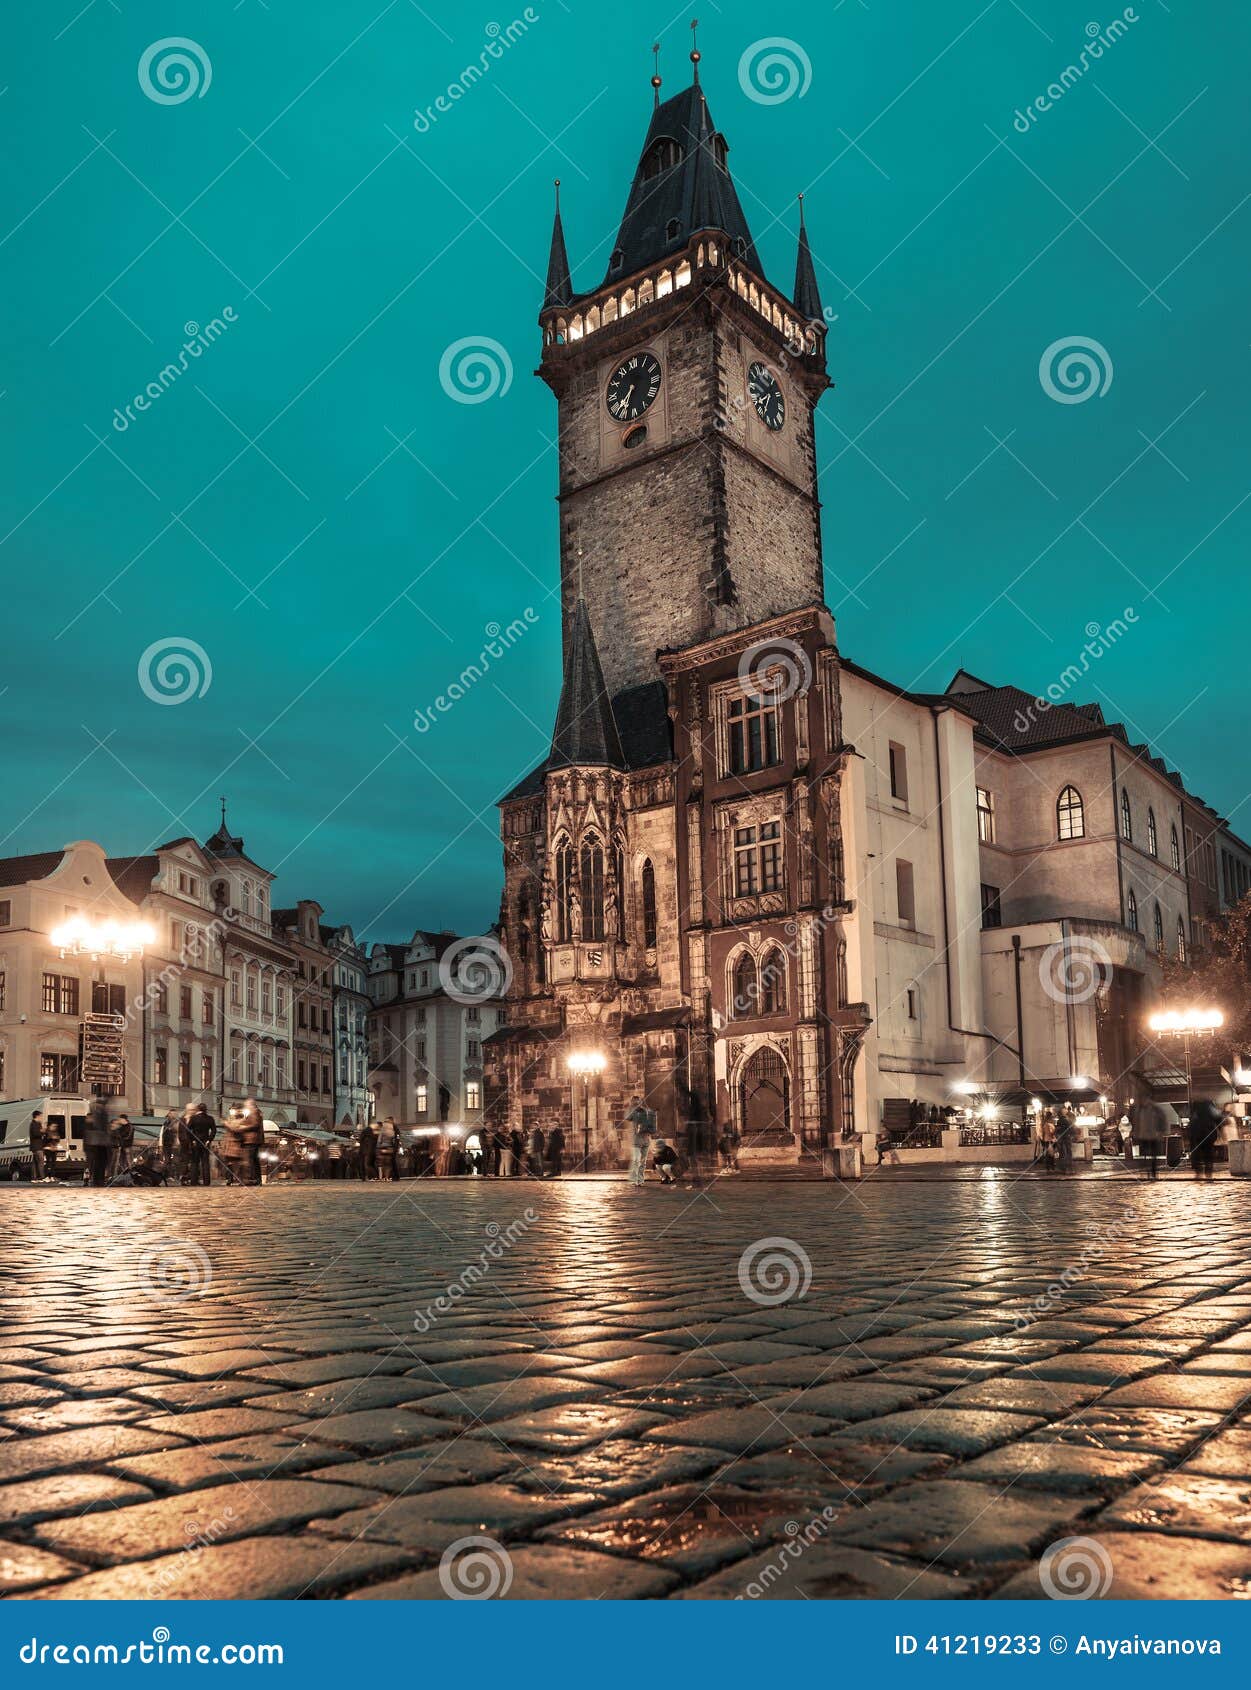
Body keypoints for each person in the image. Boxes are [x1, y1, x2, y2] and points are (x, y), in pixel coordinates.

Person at [1130, 1093, 1168, 1179]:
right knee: (1145, 1156)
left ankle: (1153, 1173)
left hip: (1153, 1135)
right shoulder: (1139, 1110)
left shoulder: (1155, 1109)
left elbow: (1162, 1120)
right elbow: (1136, 1122)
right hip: (1143, 1135)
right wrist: (1135, 1132)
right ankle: (1146, 1172)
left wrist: (1161, 1131)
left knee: (1153, 1156)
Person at [1189, 1097, 1223, 1181]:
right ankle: (1208, 1175)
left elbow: (1192, 1121)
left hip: (1197, 1135)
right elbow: (1218, 1118)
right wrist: (1220, 1130)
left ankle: (1199, 1174)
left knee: (1197, 1154)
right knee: (1208, 1155)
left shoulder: (1195, 1106)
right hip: (1208, 1134)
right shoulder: (1209, 1105)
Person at [184, 1100, 217, 1186]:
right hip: (205, 1142)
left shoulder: (194, 1118)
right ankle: (206, 1182)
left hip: (196, 1142)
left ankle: (193, 1181)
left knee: (195, 1163)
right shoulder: (210, 1118)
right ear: (206, 1110)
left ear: (198, 1109)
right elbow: (214, 1131)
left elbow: (188, 1130)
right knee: (205, 1162)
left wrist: (192, 1140)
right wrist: (209, 1140)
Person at [625, 1096, 655, 1186]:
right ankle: (637, 1180)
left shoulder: (644, 1112)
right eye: (636, 1102)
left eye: (638, 1102)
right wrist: (632, 1107)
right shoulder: (638, 1112)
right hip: (640, 1140)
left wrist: (633, 1107)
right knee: (638, 1160)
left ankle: (640, 1180)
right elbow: (628, 1117)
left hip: (643, 1140)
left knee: (641, 1161)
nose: (638, 1103)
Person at [82, 1096, 112, 1188]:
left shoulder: (96, 1112)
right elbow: (101, 1127)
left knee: (98, 1163)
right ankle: (98, 1180)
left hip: (96, 1142)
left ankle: (97, 1180)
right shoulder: (100, 1113)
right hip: (99, 1142)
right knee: (100, 1162)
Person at [238, 1097, 264, 1186]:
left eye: (246, 1105)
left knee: (250, 1161)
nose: (245, 1107)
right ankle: (257, 1180)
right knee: (254, 1160)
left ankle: (252, 1180)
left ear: (250, 1105)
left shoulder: (254, 1112)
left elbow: (254, 1125)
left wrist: (244, 1127)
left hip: (251, 1140)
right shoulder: (257, 1112)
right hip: (254, 1139)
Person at [221, 1104, 247, 1185]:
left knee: (237, 1163)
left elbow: (235, 1129)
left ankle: (240, 1179)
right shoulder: (231, 1119)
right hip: (229, 1145)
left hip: (236, 1145)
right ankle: (230, 1179)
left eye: (235, 1110)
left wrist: (226, 1123)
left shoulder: (242, 1120)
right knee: (229, 1163)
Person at [107, 1113, 134, 1183]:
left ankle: (131, 1175)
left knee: (129, 1162)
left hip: (127, 1146)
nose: (119, 1120)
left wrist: (120, 1137)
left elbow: (128, 1136)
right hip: (122, 1146)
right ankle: (125, 1175)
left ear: (123, 1119)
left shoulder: (130, 1126)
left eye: (120, 1119)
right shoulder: (121, 1126)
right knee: (122, 1162)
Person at [159, 1109, 181, 1183]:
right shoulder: (166, 1123)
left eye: (171, 1114)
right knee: (167, 1161)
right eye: (169, 1114)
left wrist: (177, 1142)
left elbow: (178, 1134)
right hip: (167, 1144)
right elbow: (162, 1134)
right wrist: (161, 1144)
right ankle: (169, 1176)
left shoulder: (178, 1123)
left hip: (175, 1144)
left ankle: (177, 1176)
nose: (170, 1116)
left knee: (176, 1161)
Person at [377, 1117, 400, 1181]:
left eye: (387, 1121)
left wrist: (379, 1146)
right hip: (390, 1147)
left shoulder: (392, 1128)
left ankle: (392, 1176)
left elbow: (379, 1139)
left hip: (385, 1147)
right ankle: (388, 1177)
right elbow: (395, 1139)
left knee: (386, 1163)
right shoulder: (392, 1129)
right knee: (389, 1163)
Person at [1055, 1104, 1076, 1173]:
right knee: (1068, 1152)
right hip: (1067, 1137)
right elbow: (1072, 1129)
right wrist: (1072, 1135)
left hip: (1062, 1138)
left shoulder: (1060, 1120)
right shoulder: (1068, 1120)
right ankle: (1069, 1167)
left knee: (1063, 1153)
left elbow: (1058, 1129)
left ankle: (1063, 1168)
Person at [41, 1116, 61, 1183]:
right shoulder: (46, 1132)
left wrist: (56, 1139)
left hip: (54, 1149)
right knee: (48, 1163)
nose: (55, 1127)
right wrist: (51, 1138)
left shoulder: (56, 1132)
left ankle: (52, 1176)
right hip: (48, 1149)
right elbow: (44, 1141)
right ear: (50, 1126)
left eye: (56, 1126)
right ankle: (46, 1176)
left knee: (53, 1164)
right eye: (53, 1126)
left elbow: (58, 1139)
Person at [28, 1108, 46, 1183]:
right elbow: (35, 1134)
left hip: (38, 1145)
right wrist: (42, 1131)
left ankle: (34, 1177)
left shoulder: (37, 1124)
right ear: (37, 1116)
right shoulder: (34, 1124)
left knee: (35, 1162)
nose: (42, 1118)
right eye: (41, 1116)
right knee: (40, 1161)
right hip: (36, 1146)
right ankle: (41, 1177)